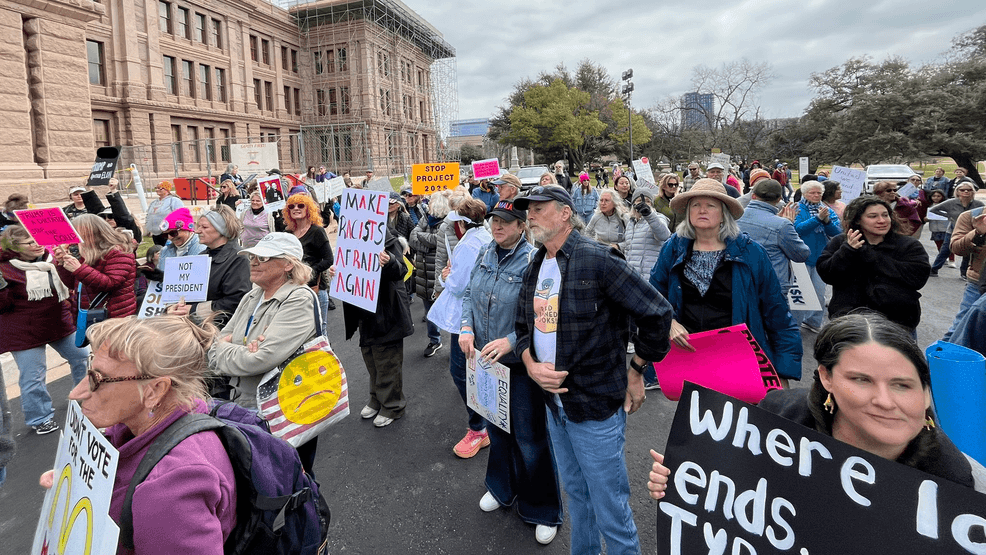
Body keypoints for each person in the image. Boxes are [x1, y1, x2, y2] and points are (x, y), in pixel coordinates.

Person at [648, 313, 986, 501]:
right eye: (861, 380)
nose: (885, 401)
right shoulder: (775, 417)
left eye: (902, 385)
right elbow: (728, 493)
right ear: (826, 377)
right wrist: (684, 482)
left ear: (926, 392)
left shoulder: (957, 484)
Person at [514, 185, 673, 555]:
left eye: (538, 209)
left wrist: (636, 369)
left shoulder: (598, 259)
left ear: (566, 213)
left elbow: (657, 313)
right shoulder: (536, 263)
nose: (530, 216)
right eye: (528, 210)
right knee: (577, 495)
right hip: (555, 407)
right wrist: (530, 364)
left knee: (610, 507)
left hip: (595, 407)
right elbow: (523, 328)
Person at [40, 315, 239, 552]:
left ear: (155, 390)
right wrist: (81, 481)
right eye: (89, 371)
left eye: (98, 379)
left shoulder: (169, 488)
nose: (77, 392)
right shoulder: (184, 411)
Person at [459, 199, 562, 544]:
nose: (497, 226)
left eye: (505, 221)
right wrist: (465, 328)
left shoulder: (535, 260)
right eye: (494, 220)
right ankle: (502, 488)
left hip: (518, 365)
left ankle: (543, 508)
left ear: (521, 226)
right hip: (485, 363)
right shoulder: (485, 252)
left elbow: (543, 317)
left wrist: (511, 341)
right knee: (498, 429)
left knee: (530, 437)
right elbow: (468, 295)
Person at [650, 179, 802, 383]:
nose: (702, 210)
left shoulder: (751, 252)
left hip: (737, 359)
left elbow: (777, 312)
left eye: (710, 205)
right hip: (688, 357)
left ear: (724, 214)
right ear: (688, 212)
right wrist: (669, 321)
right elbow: (652, 294)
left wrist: (782, 373)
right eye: (695, 205)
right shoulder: (674, 248)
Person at [208, 232, 320, 472]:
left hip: (285, 408)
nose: (254, 262)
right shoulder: (252, 295)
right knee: (258, 481)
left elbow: (258, 360)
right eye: (252, 256)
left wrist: (224, 348)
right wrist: (230, 349)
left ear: (288, 264)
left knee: (293, 481)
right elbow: (217, 342)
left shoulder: (299, 299)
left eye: (264, 257)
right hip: (244, 402)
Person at [0, 225, 88, 434]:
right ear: (15, 247)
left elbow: (72, 284)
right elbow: (2, 306)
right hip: (24, 330)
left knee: (82, 356)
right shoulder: (5, 269)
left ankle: (83, 397)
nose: (37, 244)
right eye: (30, 242)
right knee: (33, 377)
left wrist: (68, 261)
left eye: (37, 239)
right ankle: (40, 417)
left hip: (58, 321)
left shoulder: (52, 259)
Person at [428, 199, 493, 458]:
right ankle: (483, 423)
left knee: (461, 370)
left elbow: (458, 284)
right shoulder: (483, 236)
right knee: (470, 369)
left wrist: (446, 276)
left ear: (461, 223)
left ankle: (480, 427)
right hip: (475, 314)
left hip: (465, 318)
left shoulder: (470, 244)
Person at [816, 195, 931, 336]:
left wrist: (870, 255)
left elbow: (917, 278)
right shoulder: (841, 242)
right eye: (873, 216)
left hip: (897, 324)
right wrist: (847, 251)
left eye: (885, 215)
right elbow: (827, 274)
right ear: (858, 219)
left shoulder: (908, 245)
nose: (882, 221)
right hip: (850, 324)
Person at [333, 227, 414, 428]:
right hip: (364, 312)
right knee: (371, 357)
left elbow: (402, 270)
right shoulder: (350, 239)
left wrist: (388, 262)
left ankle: (393, 405)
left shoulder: (387, 238)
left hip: (386, 311)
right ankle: (377, 398)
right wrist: (338, 271)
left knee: (387, 359)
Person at [166, 206, 250, 331]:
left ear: (222, 230)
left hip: (220, 331)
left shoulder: (239, 258)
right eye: (198, 226)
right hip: (197, 326)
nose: (198, 231)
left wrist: (193, 310)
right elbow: (190, 293)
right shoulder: (202, 256)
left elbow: (236, 301)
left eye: (204, 227)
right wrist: (176, 306)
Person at [54, 214, 138, 319]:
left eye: (77, 233)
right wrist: (63, 264)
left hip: (113, 315)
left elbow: (110, 283)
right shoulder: (83, 251)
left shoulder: (119, 252)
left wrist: (79, 269)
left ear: (92, 233)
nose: (75, 237)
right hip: (88, 312)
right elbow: (73, 284)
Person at [736, 179, 810, 295]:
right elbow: (801, 254)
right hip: (771, 286)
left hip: (740, 280)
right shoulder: (781, 225)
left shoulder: (734, 217)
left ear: (753, 196)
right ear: (779, 199)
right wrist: (788, 224)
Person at [794, 180, 843, 333]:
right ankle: (796, 323)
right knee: (801, 294)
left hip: (821, 257)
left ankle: (814, 322)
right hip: (801, 257)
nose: (816, 196)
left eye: (819, 193)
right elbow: (797, 229)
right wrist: (817, 219)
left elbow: (836, 233)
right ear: (804, 194)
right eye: (812, 193)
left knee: (819, 293)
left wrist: (826, 220)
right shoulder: (797, 208)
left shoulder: (826, 210)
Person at [285, 193, 335, 328]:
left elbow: (329, 259)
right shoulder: (288, 233)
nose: (296, 208)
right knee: (298, 330)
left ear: (308, 209)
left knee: (319, 330)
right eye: (291, 206)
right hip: (292, 289)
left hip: (314, 289)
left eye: (301, 205)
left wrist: (309, 272)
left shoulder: (317, 231)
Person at [929, 181, 983, 276]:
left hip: (970, 231)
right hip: (952, 230)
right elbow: (934, 209)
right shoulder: (951, 202)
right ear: (957, 192)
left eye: (969, 190)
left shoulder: (978, 204)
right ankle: (934, 269)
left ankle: (963, 273)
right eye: (962, 190)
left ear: (973, 192)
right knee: (945, 250)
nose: (966, 192)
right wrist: (948, 216)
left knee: (968, 252)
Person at [145, 181, 185, 246]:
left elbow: (180, 215)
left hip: (168, 233)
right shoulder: (154, 202)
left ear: (167, 190)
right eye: (156, 188)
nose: (157, 190)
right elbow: (148, 215)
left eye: (160, 188)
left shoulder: (174, 200)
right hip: (155, 233)